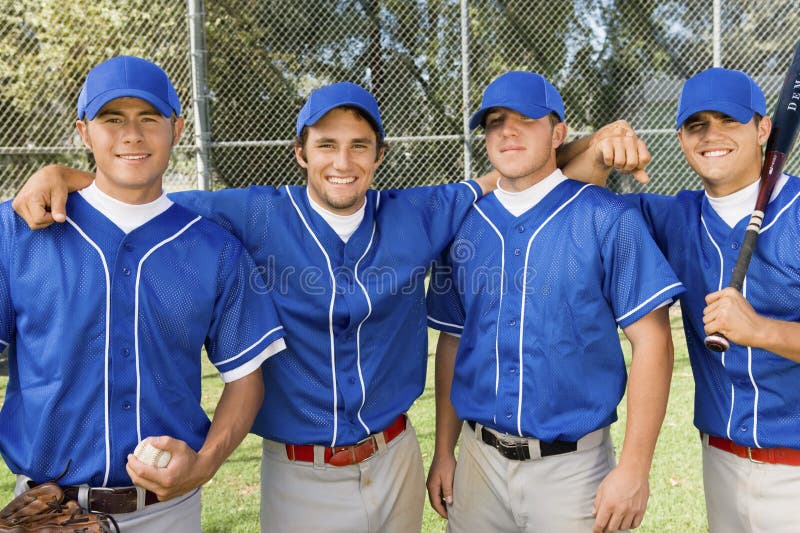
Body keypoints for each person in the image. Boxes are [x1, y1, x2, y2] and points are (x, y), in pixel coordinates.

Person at [10, 78, 648, 532]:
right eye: (325, 144)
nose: (342, 161)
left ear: (377, 156)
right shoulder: (251, 214)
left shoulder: (420, 213)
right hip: (299, 471)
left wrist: (589, 148)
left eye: (360, 145)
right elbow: (135, 195)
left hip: (396, 458)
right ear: (300, 154)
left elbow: (516, 178)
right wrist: (60, 174)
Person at [0, 56, 286, 532]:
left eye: (148, 118)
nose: (131, 135)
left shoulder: (214, 248)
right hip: (42, 510)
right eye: (112, 119)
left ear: (176, 128)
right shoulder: (21, 230)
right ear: (83, 132)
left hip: (164, 511)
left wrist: (206, 462)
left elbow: (246, 378)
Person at [424, 70, 683, 533]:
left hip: (573, 471)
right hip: (478, 464)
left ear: (558, 133)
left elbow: (653, 343)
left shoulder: (607, 217)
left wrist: (634, 468)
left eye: (526, 119)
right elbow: (452, 344)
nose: (508, 130)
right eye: (495, 121)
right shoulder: (465, 225)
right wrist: (445, 451)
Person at [617, 67, 800, 533]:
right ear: (680, 137)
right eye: (697, 124)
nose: (711, 135)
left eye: (728, 120)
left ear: (763, 129)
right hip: (719, 464)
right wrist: (600, 148)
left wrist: (762, 331)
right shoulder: (673, 218)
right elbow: (565, 190)